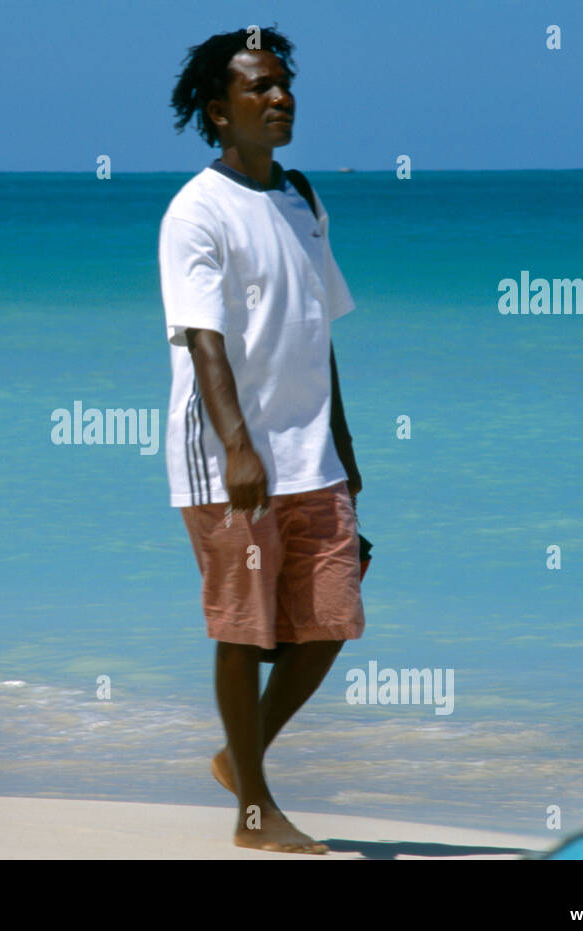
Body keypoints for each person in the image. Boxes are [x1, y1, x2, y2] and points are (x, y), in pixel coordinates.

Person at [160, 27, 365, 854]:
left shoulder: (303, 198)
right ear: (219, 112)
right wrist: (237, 446)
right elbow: (203, 339)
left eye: (284, 85)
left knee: (329, 620)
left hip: (312, 455)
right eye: (258, 88)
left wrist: (345, 455)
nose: (279, 98)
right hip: (227, 462)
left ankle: (235, 759)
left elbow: (322, 333)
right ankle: (255, 812)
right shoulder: (195, 210)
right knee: (245, 628)